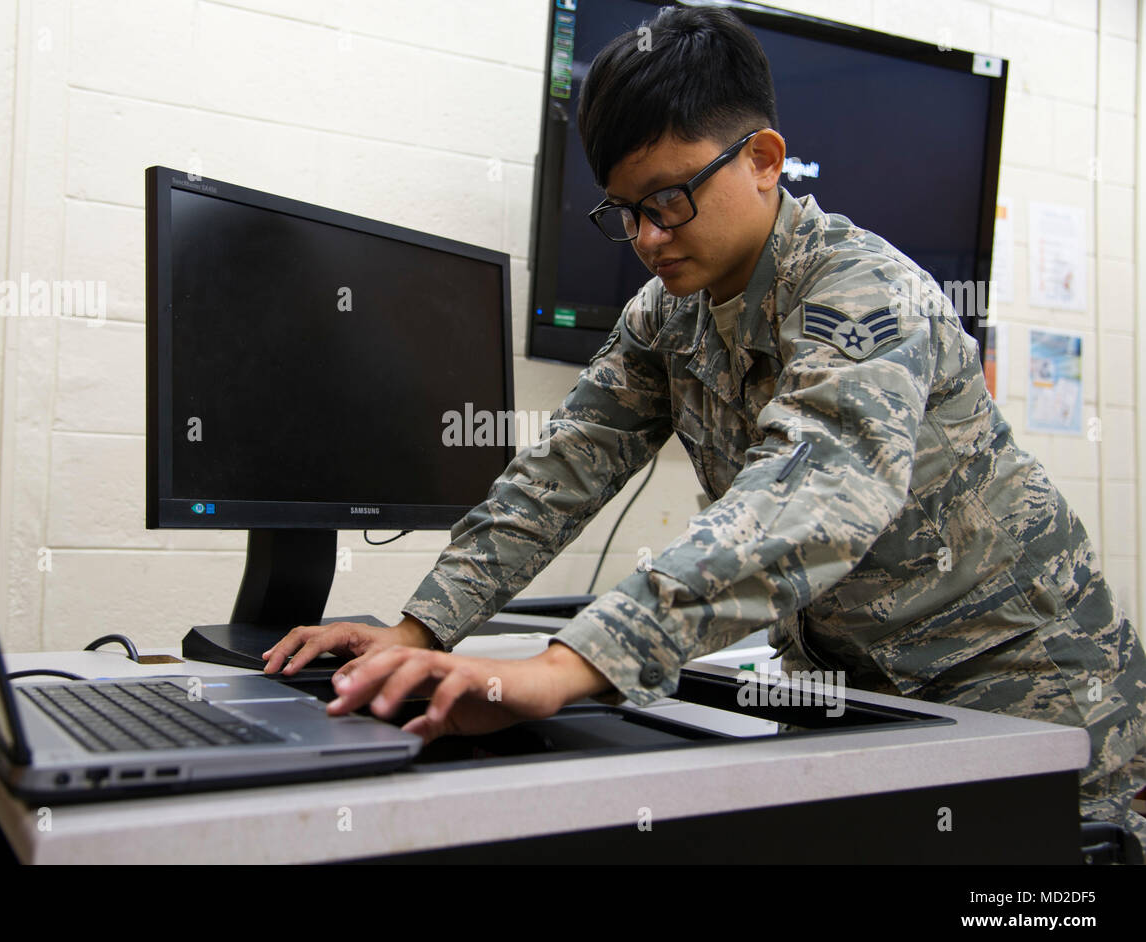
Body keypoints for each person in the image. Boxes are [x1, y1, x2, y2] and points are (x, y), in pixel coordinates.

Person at [263, 4, 1146, 852]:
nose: (647, 236)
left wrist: (565, 667)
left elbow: (813, 496)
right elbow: (559, 473)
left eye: (670, 198)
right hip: (866, 695)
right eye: (624, 211)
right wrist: (421, 629)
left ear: (764, 158)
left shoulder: (867, 290)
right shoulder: (665, 317)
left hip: (1029, 692)